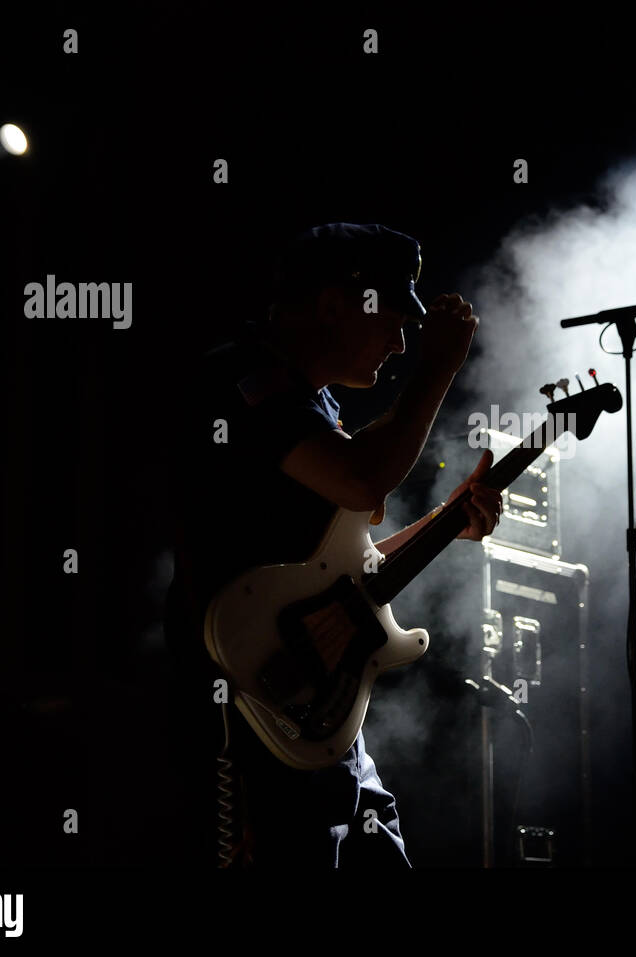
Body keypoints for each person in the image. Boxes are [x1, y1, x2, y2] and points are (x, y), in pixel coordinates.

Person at [163, 223, 503, 867]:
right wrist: (438, 368)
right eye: (392, 319)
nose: (402, 343)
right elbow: (361, 478)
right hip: (252, 718)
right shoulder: (240, 379)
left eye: (410, 332)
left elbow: (352, 570)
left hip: (322, 721)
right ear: (331, 305)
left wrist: (445, 523)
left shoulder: (311, 404)